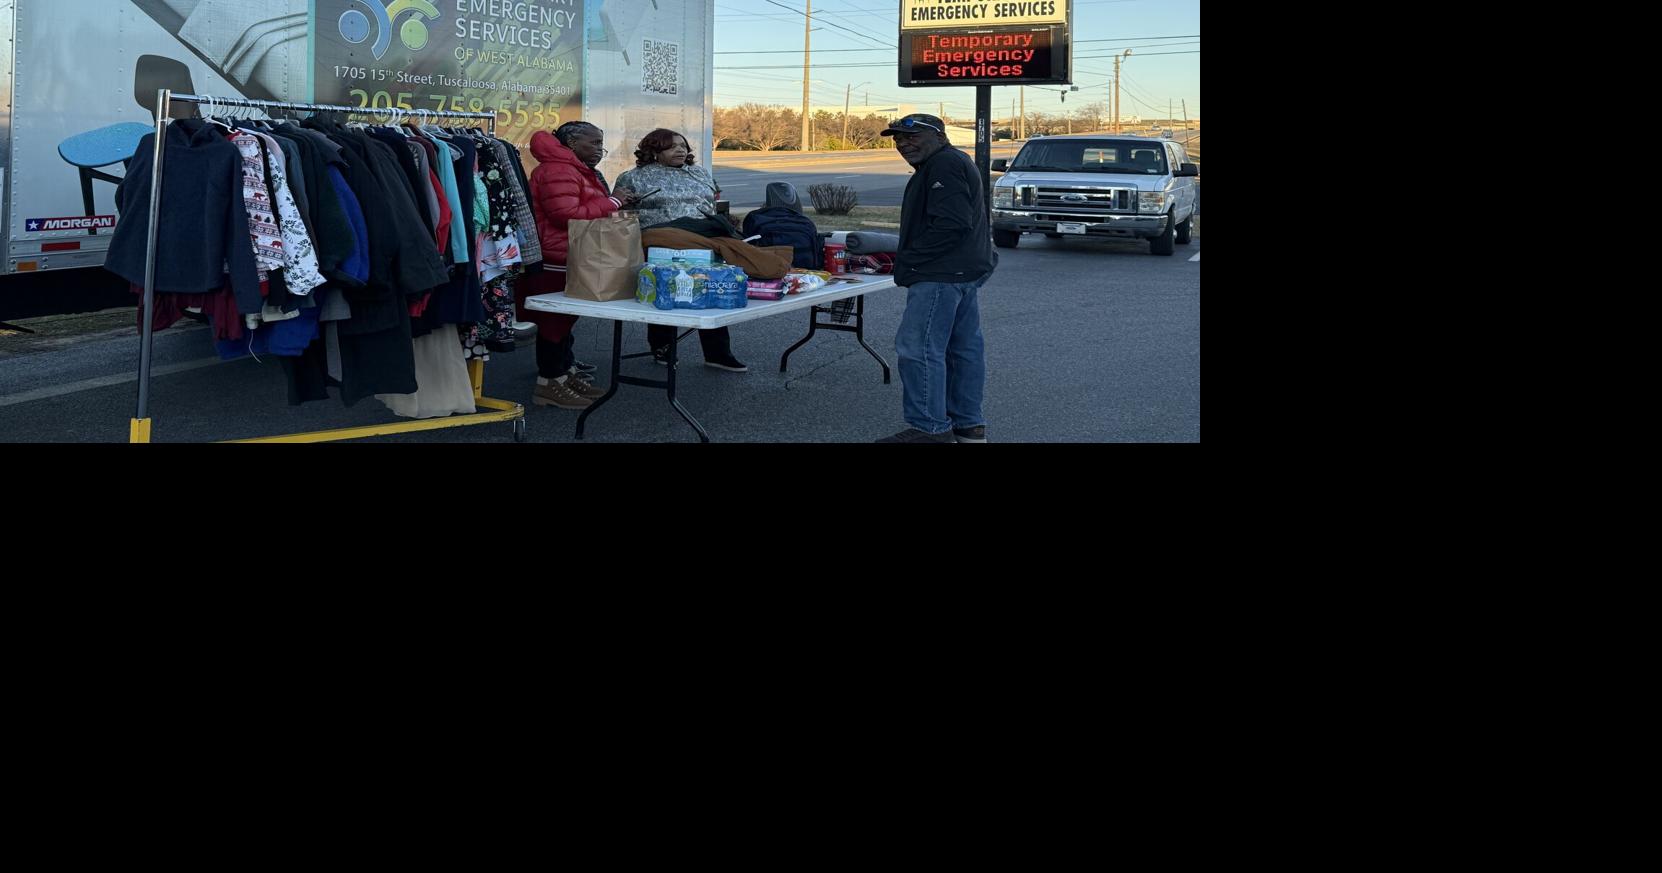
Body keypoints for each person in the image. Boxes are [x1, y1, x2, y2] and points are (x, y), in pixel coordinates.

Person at [874, 114, 997, 444]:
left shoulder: (943, 164)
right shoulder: (949, 162)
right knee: (962, 351)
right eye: (898, 138)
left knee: (918, 350)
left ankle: (929, 429)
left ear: (940, 136)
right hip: (963, 271)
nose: (903, 143)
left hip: (941, 275)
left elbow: (952, 224)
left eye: (912, 137)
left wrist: (909, 258)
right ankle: (969, 426)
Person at [519, 121, 640, 409]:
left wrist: (612, 203)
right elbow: (565, 215)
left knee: (564, 322)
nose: (600, 150)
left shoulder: (573, 169)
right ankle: (549, 384)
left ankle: (562, 376)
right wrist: (612, 201)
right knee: (553, 323)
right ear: (572, 144)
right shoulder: (556, 170)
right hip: (556, 258)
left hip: (572, 253)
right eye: (594, 143)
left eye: (601, 143)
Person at [614, 128, 748, 372]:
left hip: (704, 240)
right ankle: (663, 347)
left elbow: (713, 204)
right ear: (654, 150)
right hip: (661, 243)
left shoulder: (699, 173)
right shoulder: (633, 177)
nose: (680, 150)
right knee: (667, 293)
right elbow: (624, 216)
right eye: (671, 146)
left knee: (712, 290)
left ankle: (718, 353)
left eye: (683, 145)